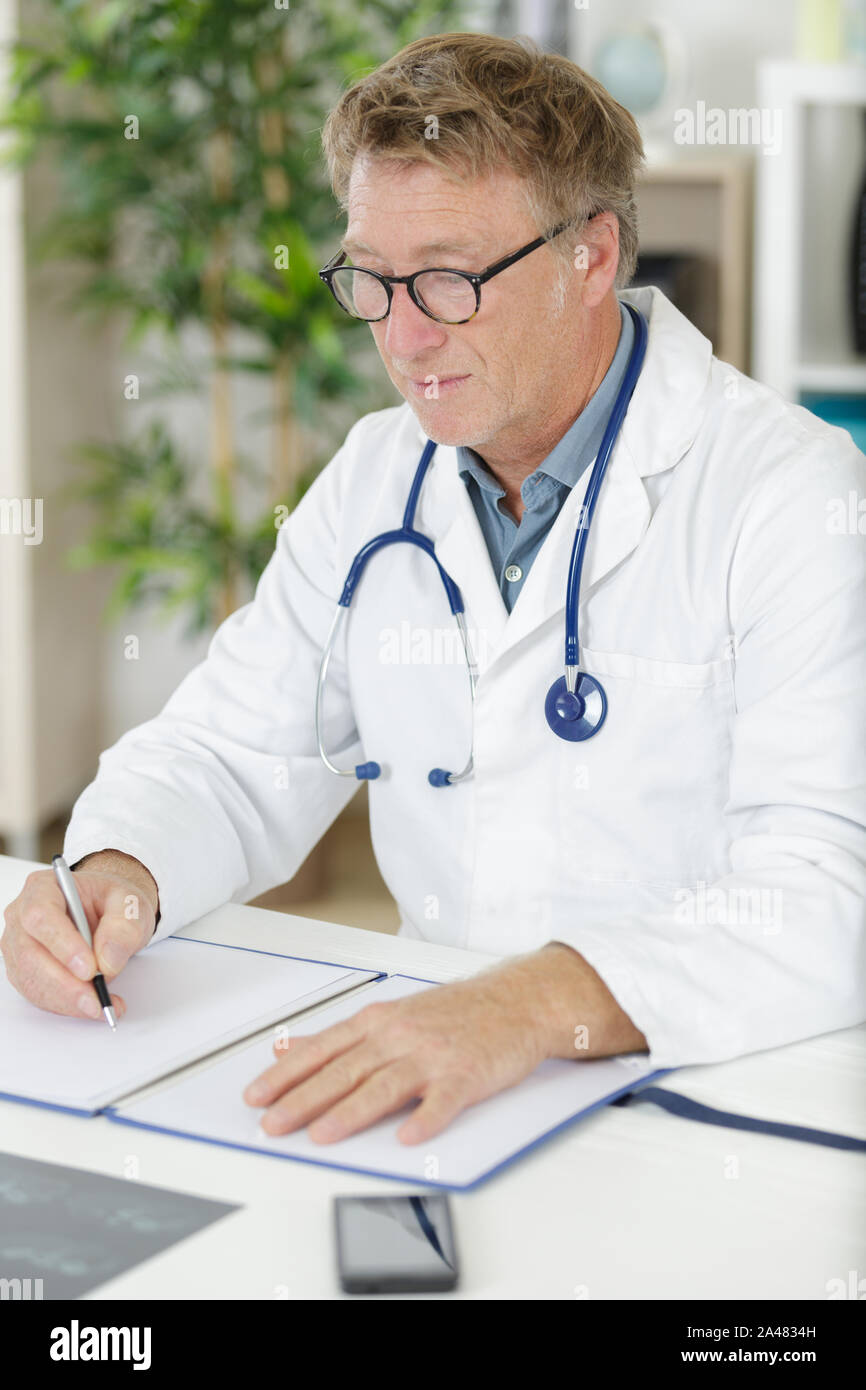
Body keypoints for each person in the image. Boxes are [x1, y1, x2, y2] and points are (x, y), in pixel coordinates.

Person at [3, 34, 865, 1148]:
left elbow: (825, 892)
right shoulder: (376, 472)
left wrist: (520, 1005)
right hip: (436, 1086)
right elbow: (231, 752)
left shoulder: (790, 498)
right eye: (371, 277)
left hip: (705, 1094)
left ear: (590, 255)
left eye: (450, 279)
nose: (401, 339)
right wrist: (114, 872)